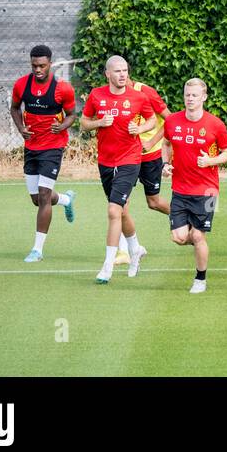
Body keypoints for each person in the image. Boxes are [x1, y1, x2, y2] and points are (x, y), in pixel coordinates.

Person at [79, 56, 159, 283]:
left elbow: (152, 120)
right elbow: (84, 123)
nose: (123, 74)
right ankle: (135, 249)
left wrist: (140, 127)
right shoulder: (97, 95)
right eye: (117, 71)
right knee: (122, 211)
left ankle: (107, 267)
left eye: (125, 70)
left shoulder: (138, 96)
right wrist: (98, 123)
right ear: (108, 74)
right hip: (105, 161)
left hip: (130, 160)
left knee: (114, 211)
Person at [161, 78, 227, 293]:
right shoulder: (172, 121)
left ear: (204, 97)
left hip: (209, 191)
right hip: (180, 189)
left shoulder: (215, 124)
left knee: (198, 235)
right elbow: (165, 144)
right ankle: (198, 240)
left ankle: (200, 279)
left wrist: (210, 161)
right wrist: (165, 164)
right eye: (187, 95)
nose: (190, 99)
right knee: (179, 237)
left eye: (194, 95)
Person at [9, 44, 76, 262]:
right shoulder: (21, 85)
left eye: (42, 66)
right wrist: (21, 129)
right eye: (34, 66)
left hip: (53, 147)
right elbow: (14, 108)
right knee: (37, 199)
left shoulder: (63, 89)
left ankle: (37, 250)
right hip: (32, 147)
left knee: (45, 195)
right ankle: (66, 199)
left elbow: (72, 114)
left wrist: (63, 126)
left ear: (50, 64)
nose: (38, 70)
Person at [114, 78, 171, 267]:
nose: (119, 77)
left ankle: (184, 216)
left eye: (123, 72)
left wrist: (151, 142)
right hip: (126, 157)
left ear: (128, 75)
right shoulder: (111, 95)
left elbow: (169, 120)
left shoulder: (146, 91)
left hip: (150, 156)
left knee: (153, 202)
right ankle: (125, 251)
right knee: (120, 202)